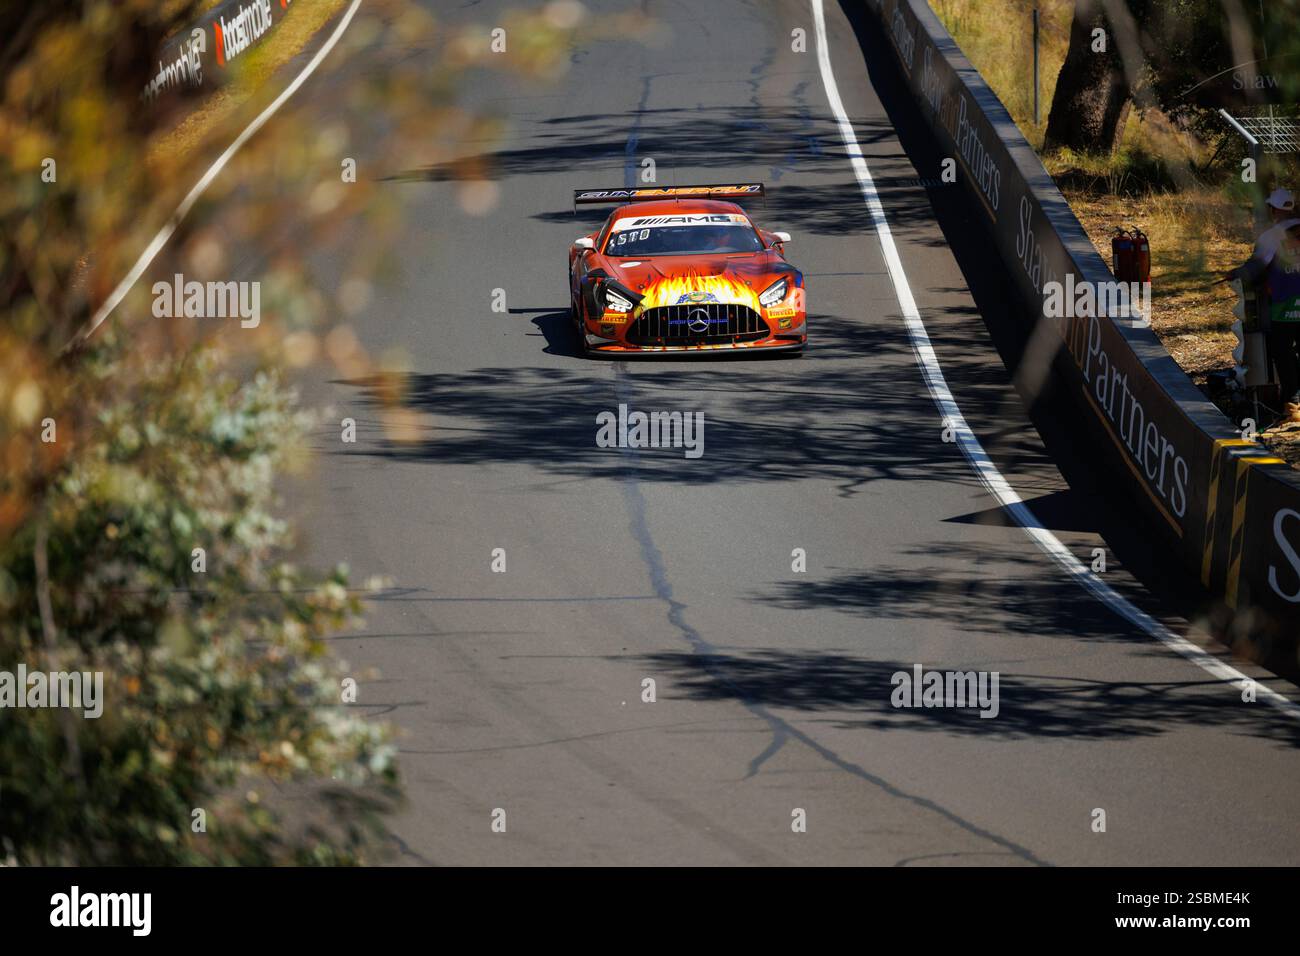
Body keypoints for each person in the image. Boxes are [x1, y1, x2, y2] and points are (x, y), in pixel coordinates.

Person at [1227, 188, 1300, 407]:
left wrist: (1235, 274)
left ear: (1273, 210)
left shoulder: (1271, 237)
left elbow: (1255, 268)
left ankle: (1293, 402)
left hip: (1284, 308)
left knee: (1283, 353)